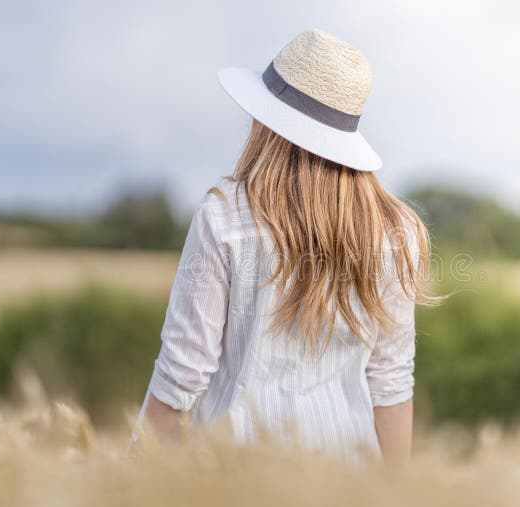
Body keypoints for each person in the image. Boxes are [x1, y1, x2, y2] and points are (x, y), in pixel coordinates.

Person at [133, 28, 431, 467]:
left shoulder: (224, 216)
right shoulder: (397, 230)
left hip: (235, 477)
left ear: (266, 122)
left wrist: (127, 473)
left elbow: (182, 371)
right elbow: (390, 383)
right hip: (349, 484)